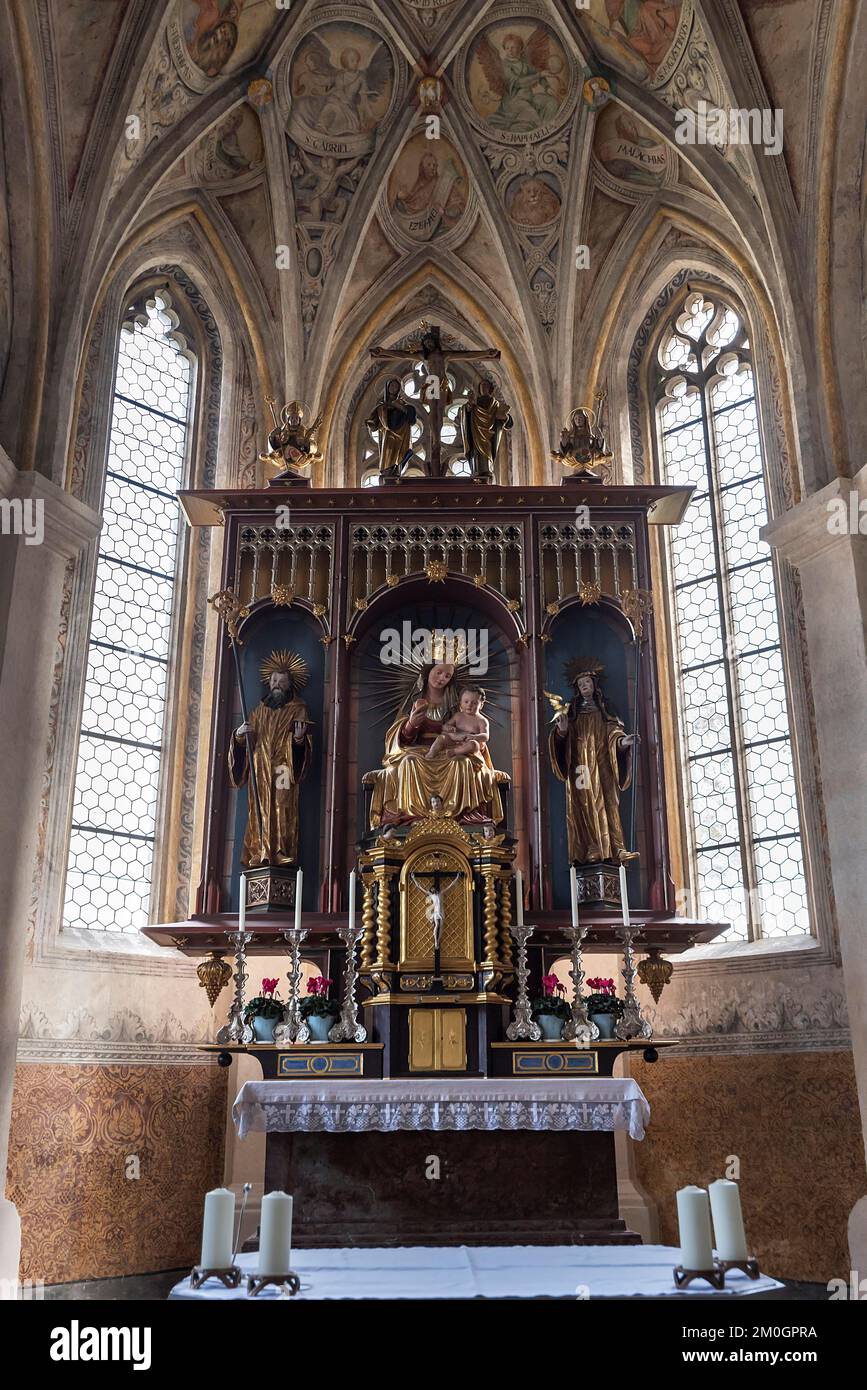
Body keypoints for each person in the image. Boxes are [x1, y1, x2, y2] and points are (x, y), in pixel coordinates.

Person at [366, 663, 507, 828]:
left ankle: (461, 816)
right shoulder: (413, 702)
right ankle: (415, 816)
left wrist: (463, 738)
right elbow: (401, 737)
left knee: (462, 764)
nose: (442, 678)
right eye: (438, 672)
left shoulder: (459, 704)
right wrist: (411, 724)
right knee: (409, 762)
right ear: (428, 672)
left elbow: (474, 736)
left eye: (447, 676)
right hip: (419, 749)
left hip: (452, 749)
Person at [426, 688, 489, 759]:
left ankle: (454, 752)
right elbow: (445, 725)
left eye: (474, 703)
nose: (469, 705)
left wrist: (475, 737)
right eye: (466, 702)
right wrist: (448, 727)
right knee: (441, 738)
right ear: (460, 703)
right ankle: (431, 753)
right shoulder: (458, 716)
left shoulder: (481, 720)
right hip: (454, 740)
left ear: (481, 705)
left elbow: (486, 736)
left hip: (467, 744)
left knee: (474, 745)